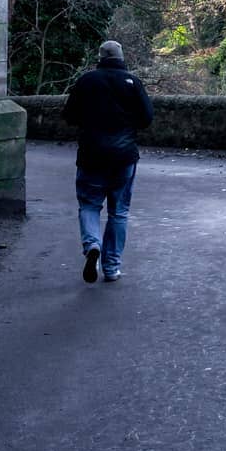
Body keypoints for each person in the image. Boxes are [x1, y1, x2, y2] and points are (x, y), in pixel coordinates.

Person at [65, 38, 153, 284]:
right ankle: (112, 267)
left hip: (91, 155)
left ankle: (92, 244)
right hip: (124, 157)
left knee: (90, 205)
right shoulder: (132, 82)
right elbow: (147, 117)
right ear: (121, 57)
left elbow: (69, 115)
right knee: (119, 212)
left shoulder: (86, 81)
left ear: (100, 57)